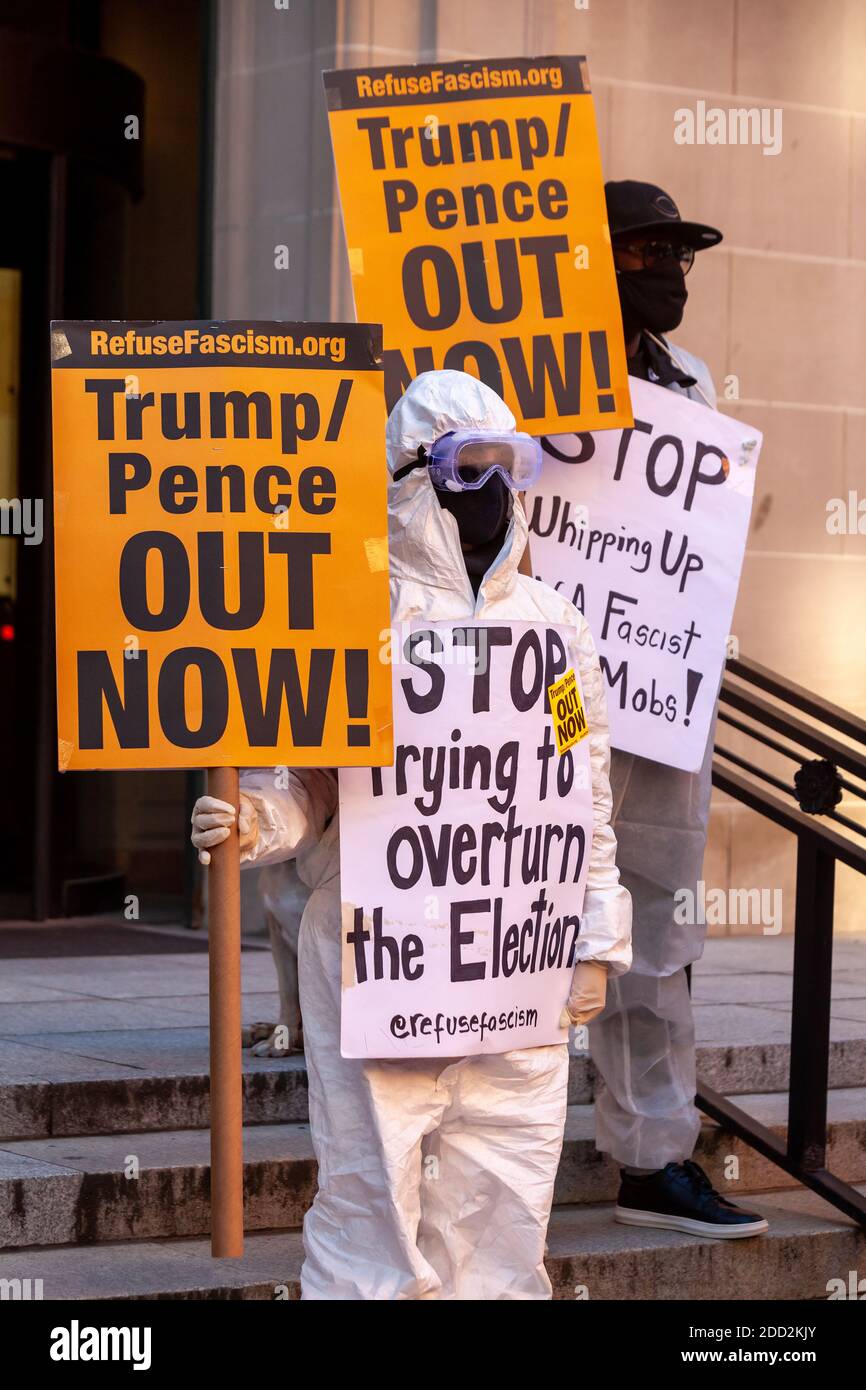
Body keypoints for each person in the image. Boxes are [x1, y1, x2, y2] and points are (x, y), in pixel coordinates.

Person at [191, 370, 632, 1299]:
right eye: (465, 468)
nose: (491, 491)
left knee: (507, 1194)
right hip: (375, 957)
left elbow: (578, 791)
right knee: (370, 1195)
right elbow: (309, 781)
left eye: (505, 466)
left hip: (515, 962)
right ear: (406, 479)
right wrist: (257, 822)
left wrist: (595, 938)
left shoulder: (554, 632)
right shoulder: (356, 622)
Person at [588, 180, 768, 1237]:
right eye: (647, 252)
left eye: (681, 255)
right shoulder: (527, 372)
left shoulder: (691, 379)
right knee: (504, 904)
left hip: (656, 690)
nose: (670, 272)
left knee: (653, 924)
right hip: (538, 693)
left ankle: (651, 1155)